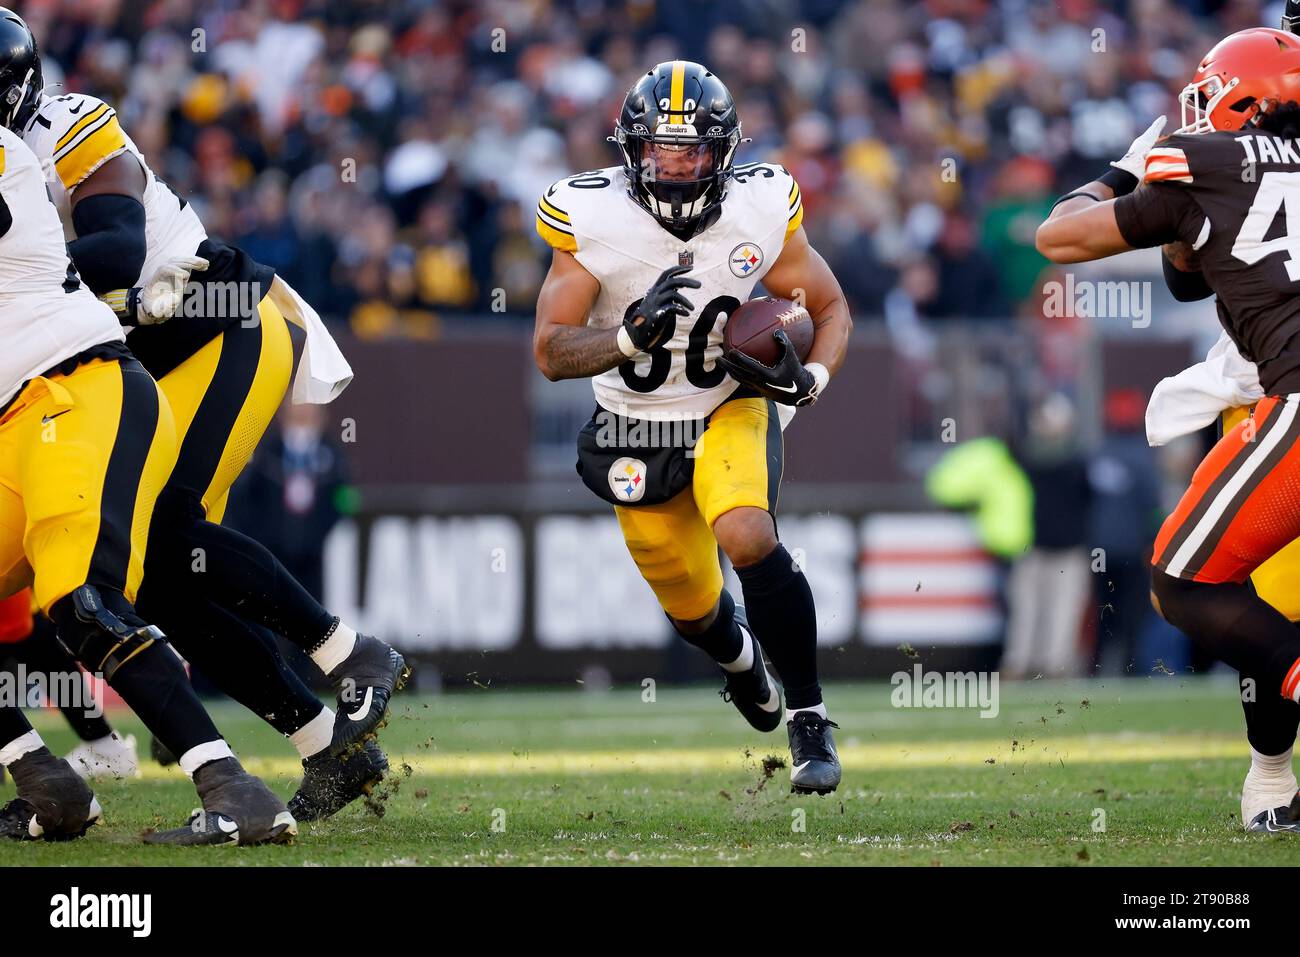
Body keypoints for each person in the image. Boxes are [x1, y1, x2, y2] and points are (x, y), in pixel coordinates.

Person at [0, 9, 404, 824]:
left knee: (169, 536)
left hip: (222, 323)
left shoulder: (66, 125)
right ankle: (328, 746)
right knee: (157, 581)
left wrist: (35, 278)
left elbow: (114, 245)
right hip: (139, 354)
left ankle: (350, 652)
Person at [533, 61, 852, 793]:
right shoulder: (592, 217)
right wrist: (627, 336)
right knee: (692, 606)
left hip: (726, 404)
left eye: (692, 151)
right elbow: (550, 351)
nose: (674, 167)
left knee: (745, 530)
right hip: (633, 426)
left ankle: (809, 719)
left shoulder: (763, 207)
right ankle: (740, 659)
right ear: (630, 151)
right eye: (659, 150)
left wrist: (813, 383)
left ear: (725, 152)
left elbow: (831, 309)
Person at [1036, 26, 1300, 830]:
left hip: (1290, 401)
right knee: (1269, 607)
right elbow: (1192, 275)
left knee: (1187, 579)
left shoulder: (1204, 160)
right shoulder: (1222, 173)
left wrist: (1121, 170)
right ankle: (1273, 781)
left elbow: (1057, 236)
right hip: (1268, 391)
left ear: (1244, 100)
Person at [0, 120, 291, 844]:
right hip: (19, 416)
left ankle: (233, 787)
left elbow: (115, 245)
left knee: (85, 604)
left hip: (75, 392)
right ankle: (44, 781)